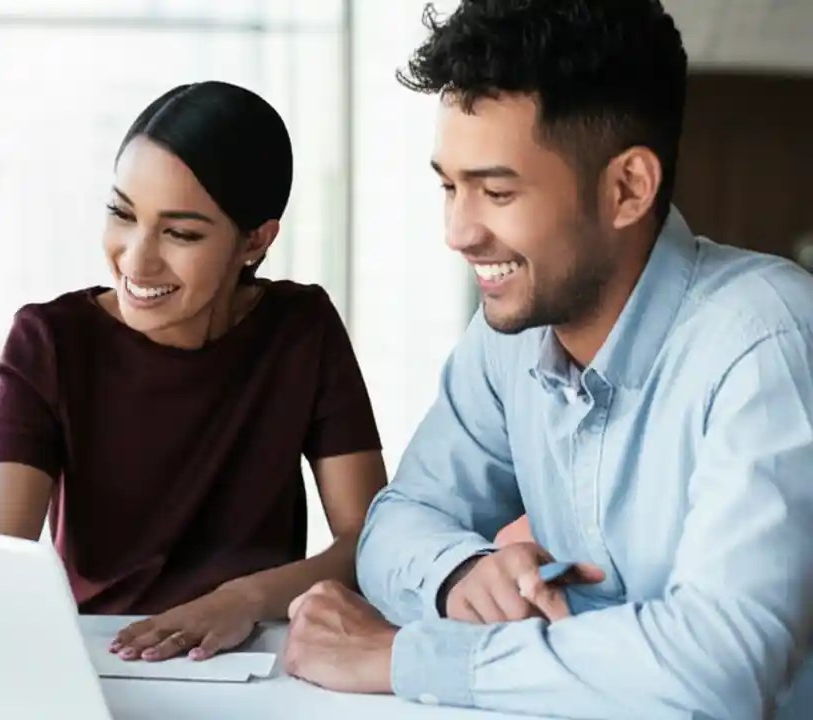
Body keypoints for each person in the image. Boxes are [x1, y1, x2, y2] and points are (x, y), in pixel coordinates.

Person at [283, 1, 813, 718]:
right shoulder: (510, 335)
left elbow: (720, 665)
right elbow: (397, 521)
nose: (459, 231)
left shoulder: (766, 339)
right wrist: (459, 574)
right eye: (450, 185)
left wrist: (403, 657)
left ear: (627, 188)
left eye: (497, 192)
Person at [0, 81, 387, 662]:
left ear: (255, 240)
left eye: (180, 232)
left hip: (256, 654)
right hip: (106, 659)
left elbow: (371, 545)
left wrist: (246, 599)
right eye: (122, 213)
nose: (136, 259)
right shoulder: (48, 340)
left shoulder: (301, 328)